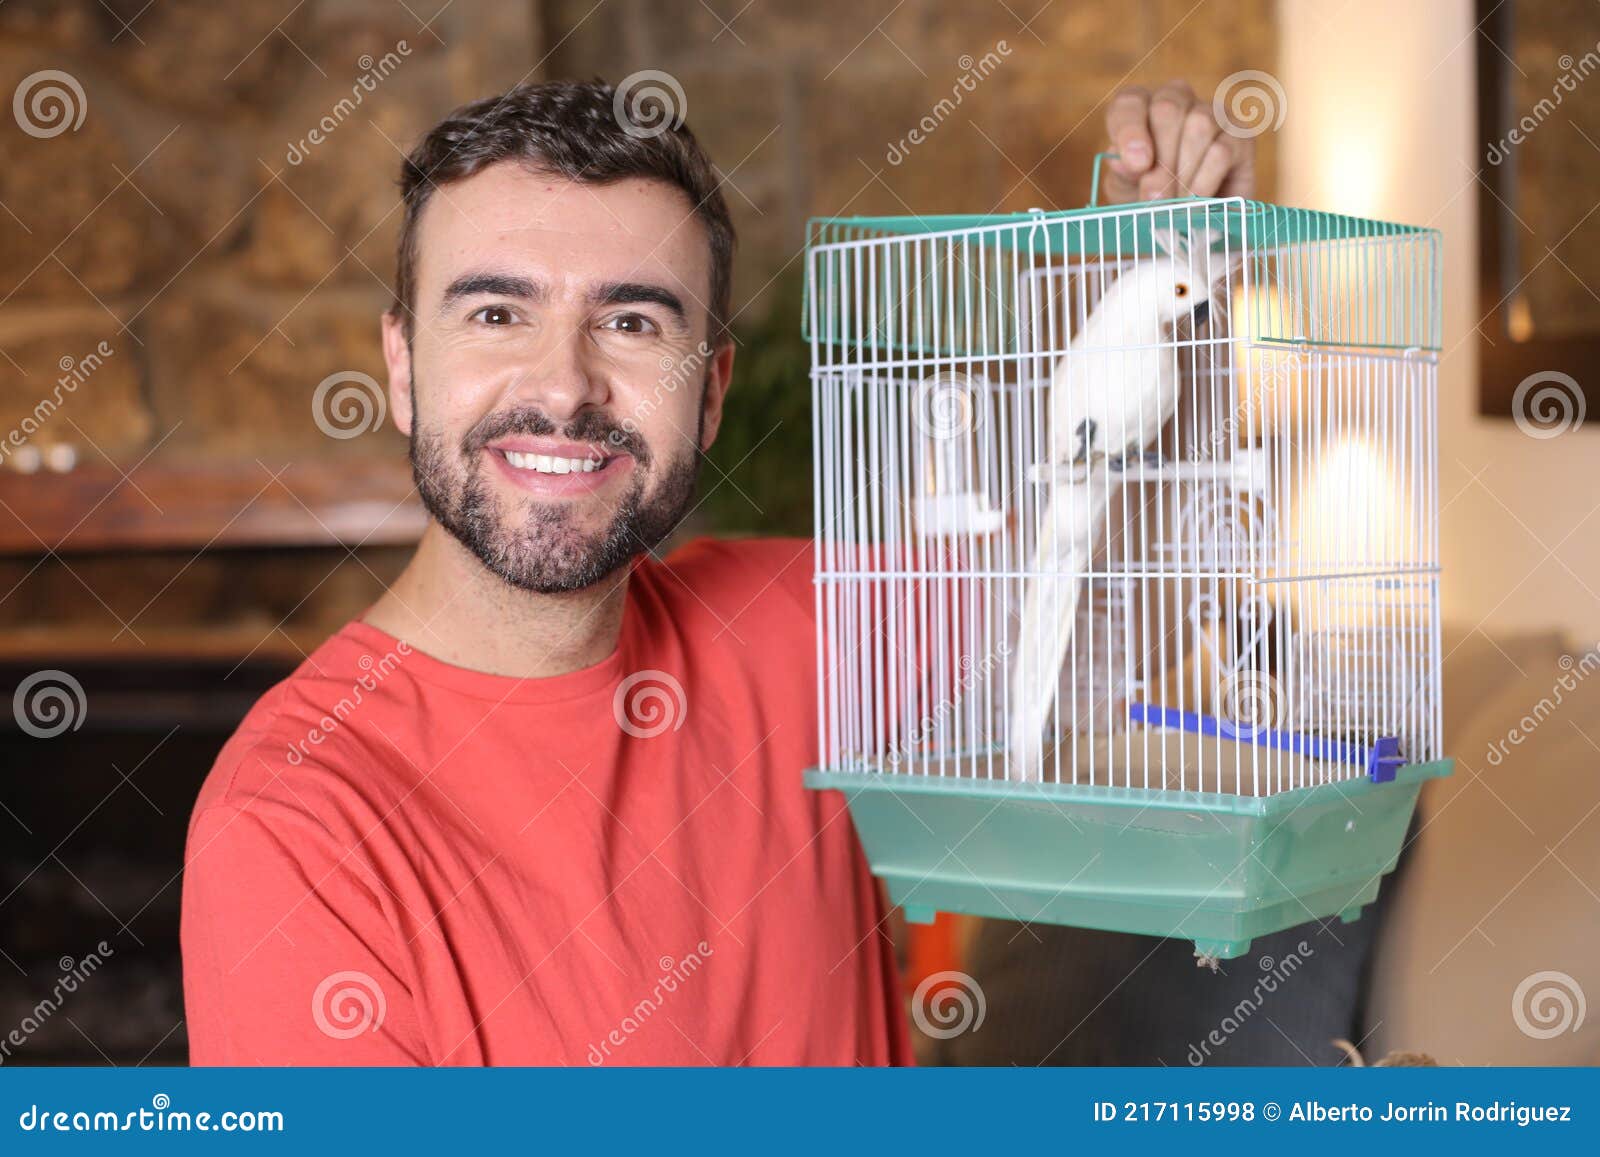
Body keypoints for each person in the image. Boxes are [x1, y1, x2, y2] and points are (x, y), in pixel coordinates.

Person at [180, 77, 1255, 1065]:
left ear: (709, 393)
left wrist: (1172, 296)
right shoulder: (293, 824)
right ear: (404, 369)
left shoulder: (800, 627)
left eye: (633, 320)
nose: (564, 386)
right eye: (497, 312)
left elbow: (1110, 607)